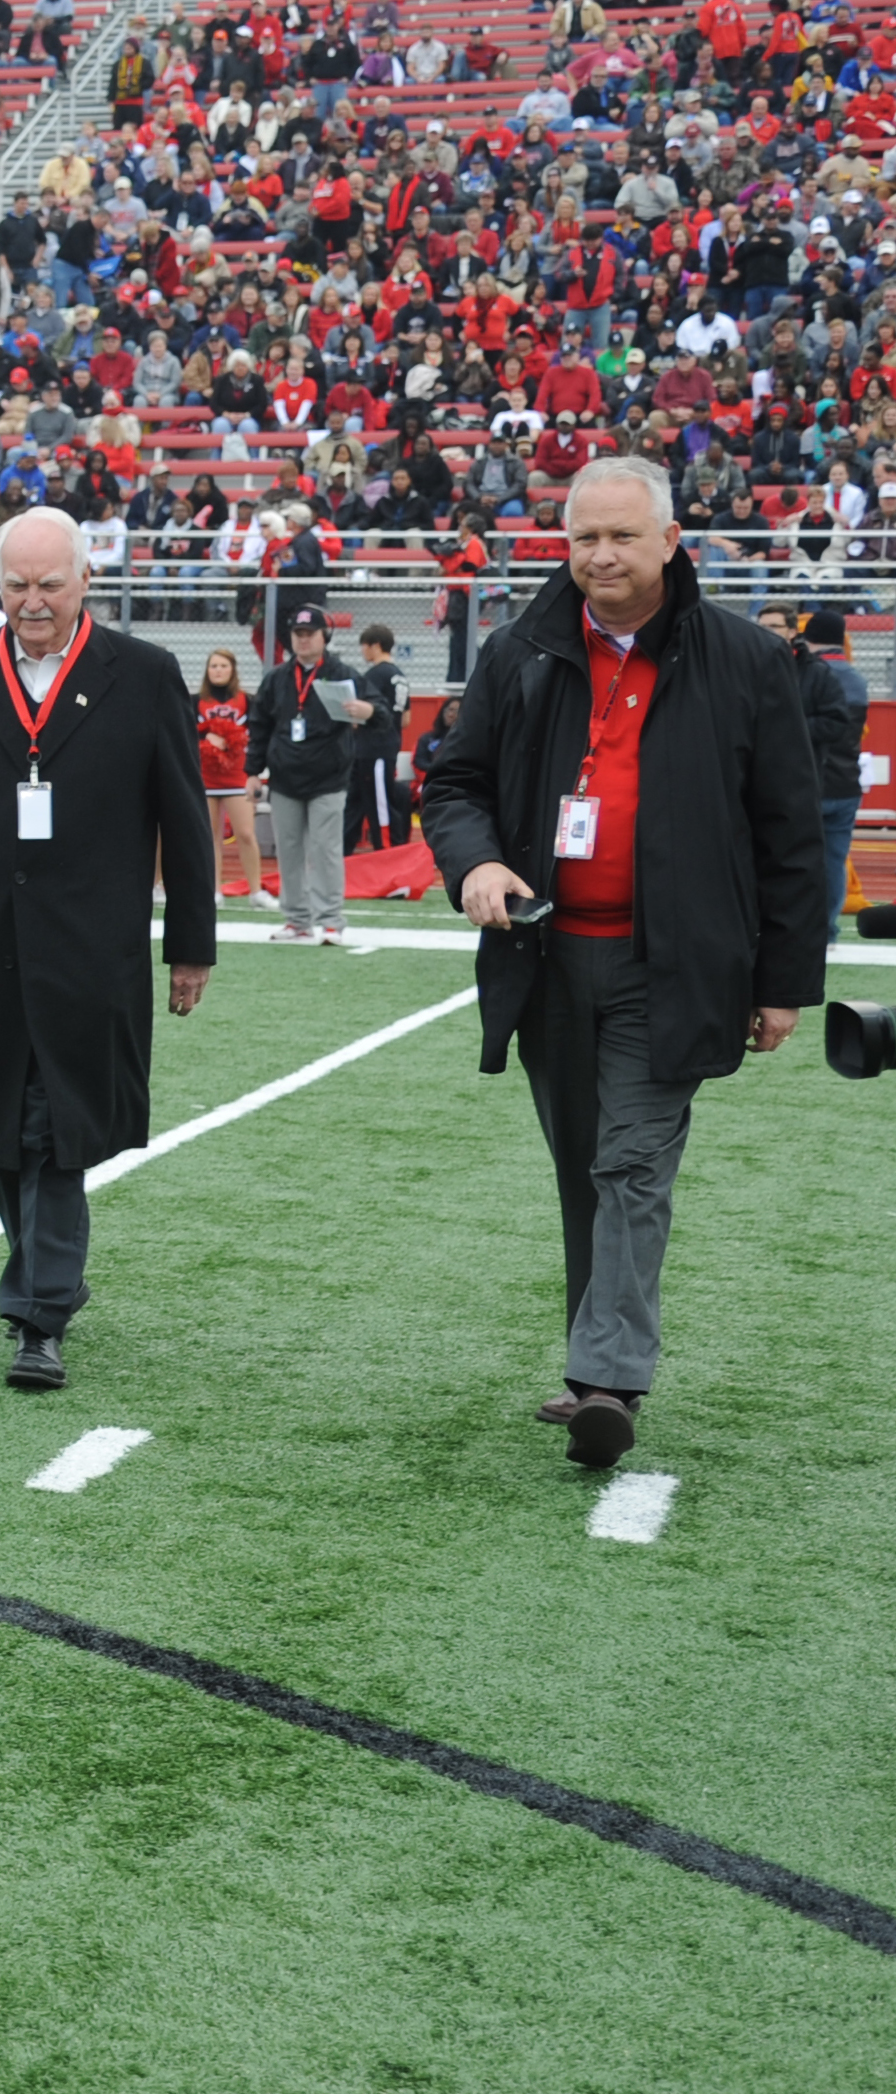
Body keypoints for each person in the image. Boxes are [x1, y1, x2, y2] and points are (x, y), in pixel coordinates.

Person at [420, 456, 828, 1471]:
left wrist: (782, 982)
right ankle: (588, 1359)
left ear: (669, 542)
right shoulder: (520, 651)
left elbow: (789, 833)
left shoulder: (744, 660)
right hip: (549, 959)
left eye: (620, 537)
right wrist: (474, 864)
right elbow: (453, 783)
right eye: (582, 539)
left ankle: (609, 1378)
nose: (600, 556)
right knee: (581, 1169)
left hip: (672, 968)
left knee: (631, 1163)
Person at [0, 506, 216, 1390]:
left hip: (92, 947)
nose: (32, 603)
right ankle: (49, 1274)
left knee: (54, 1126)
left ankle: (39, 1314)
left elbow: (184, 818)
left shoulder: (143, 675)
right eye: (16, 585)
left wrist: (191, 945)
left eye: (48, 585)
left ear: (85, 581)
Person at [246, 605, 370, 944]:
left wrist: (367, 710)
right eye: (297, 634)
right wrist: (253, 772)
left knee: (326, 849)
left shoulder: (344, 673)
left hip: (328, 777)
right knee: (288, 850)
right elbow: (259, 727)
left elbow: (381, 711)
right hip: (285, 777)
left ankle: (331, 921)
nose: (302, 640)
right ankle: (297, 920)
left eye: (309, 634)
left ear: (323, 637)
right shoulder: (276, 679)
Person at [790, 608, 869, 935]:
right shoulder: (857, 679)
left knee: (793, 861)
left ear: (809, 636)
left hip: (808, 781)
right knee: (834, 862)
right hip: (847, 783)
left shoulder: (810, 675)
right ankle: (826, 929)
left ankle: (796, 928)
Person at [190, 647, 268, 905]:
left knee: (245, 833)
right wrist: (205, 737)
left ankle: (256, 891)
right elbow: (186, 733)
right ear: (207, 671)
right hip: (206, 777)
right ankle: (214, 891)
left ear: (233, 670)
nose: (218, 670)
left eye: (223, 666)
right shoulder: (195, 701)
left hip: (237, 775)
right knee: (210, 837)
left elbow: (258, 732)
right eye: (213, 666)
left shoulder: (247, 700)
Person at [344, 622, 410, 850]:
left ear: (376, 646)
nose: (362, 650)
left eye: (365, 645)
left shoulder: (375, 674)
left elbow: (363, 712)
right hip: (385, 745)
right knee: (357, 800)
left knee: (380, 805)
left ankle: (388, 853)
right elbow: (406, 718)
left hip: (374, 747)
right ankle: (344, 851)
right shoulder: (400, 676)